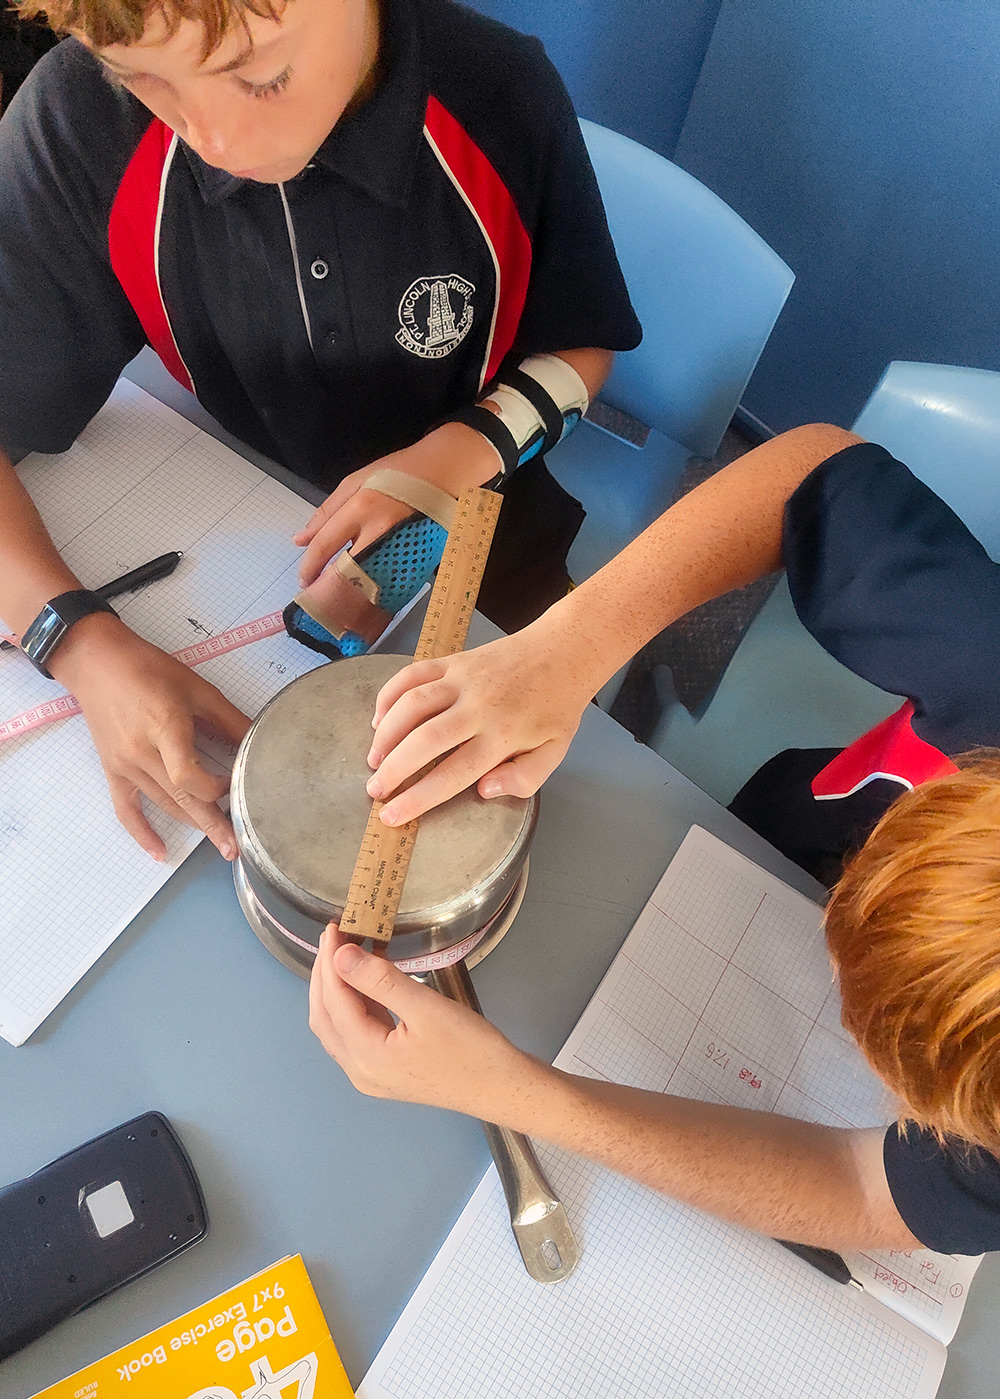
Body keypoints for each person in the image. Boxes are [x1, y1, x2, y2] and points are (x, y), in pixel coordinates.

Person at [308, 423, 1000, 1255]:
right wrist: (570, 648)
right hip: (800, 830)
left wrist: (525, 1097)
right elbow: (810, 475)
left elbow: (867, 1192)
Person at [0, 0, 639, 859]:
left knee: (519, 833)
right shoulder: (77, 125)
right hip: (239, 530)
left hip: (493, 543)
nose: (212, 138)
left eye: (262, 77)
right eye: (146, 82)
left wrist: (465, 447)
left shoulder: (500, 95)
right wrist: (71, 638)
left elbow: (581, 345)